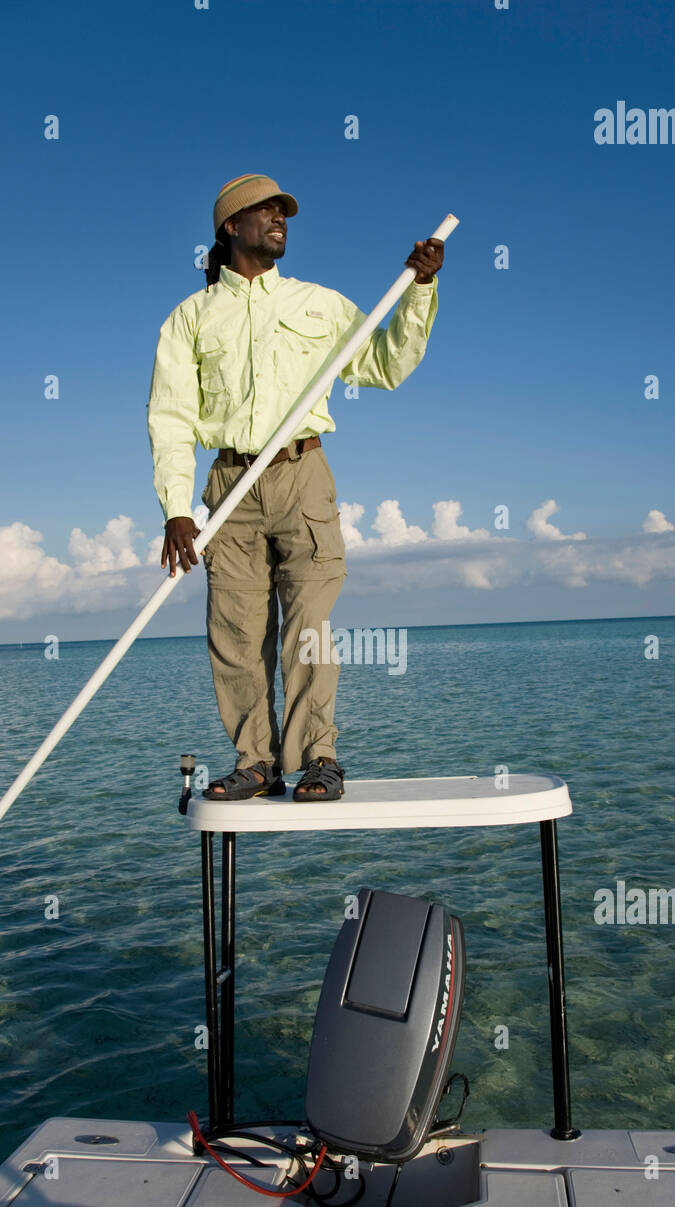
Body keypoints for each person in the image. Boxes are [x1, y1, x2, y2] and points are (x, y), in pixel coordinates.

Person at [148, 174, 443, 804]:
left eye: (283, 212)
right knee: (234, 632)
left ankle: (318, 758)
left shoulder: (322, 304)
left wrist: (419, 289)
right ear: (231, 227)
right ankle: (256, 761)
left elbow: (385, 365)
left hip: (303, 475)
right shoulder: (189, 318)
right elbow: (170, 417)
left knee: (308, 625)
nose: (279, 220)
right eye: (265, 211)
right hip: (228, 487)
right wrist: (176, 510)